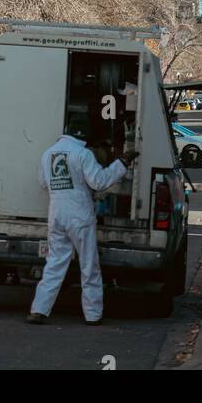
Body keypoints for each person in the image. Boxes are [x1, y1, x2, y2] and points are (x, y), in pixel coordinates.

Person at [27, 124, 137, 326]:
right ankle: (93, 314)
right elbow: (99, 182)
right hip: (80, 216)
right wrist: (122, 163)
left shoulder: (48, 153)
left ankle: (39, 310)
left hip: (56, 214)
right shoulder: (83, 154)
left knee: (54, 264)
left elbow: (43, 182)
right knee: (89, 266)